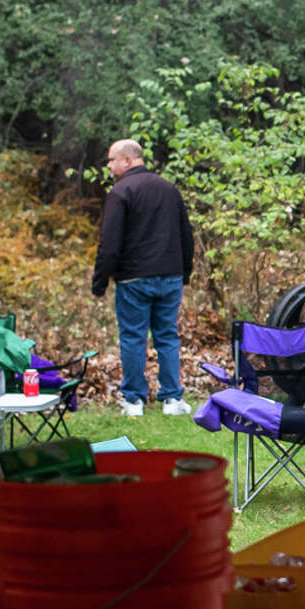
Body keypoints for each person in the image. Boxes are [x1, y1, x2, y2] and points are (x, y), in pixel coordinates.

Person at [91, 139, 196, 417]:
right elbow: (187, 235)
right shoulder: (169, 189)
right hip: (170, 275)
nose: (108, 165)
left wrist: (100, 281)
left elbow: (109, 243)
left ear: (128, 160)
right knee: (167, 337)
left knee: (133, 338)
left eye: (112, 159)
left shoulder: (120, 191)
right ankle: (172, 399)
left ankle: (134, 401)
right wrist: (185, 272)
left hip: (133, 279)